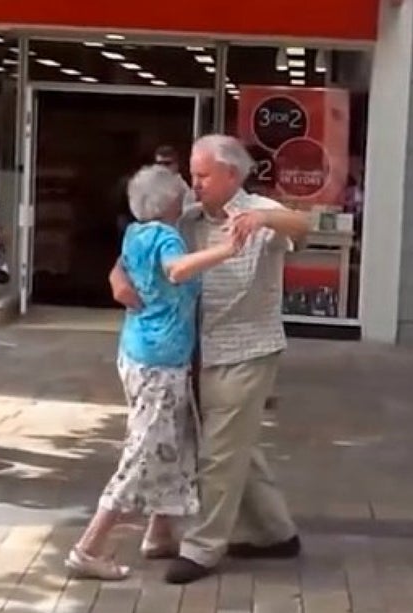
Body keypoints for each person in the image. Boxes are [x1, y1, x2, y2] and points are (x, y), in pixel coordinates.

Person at [110, 134, 311, 585]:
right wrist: (117, 274)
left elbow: (303, 225)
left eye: (201, 175)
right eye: (192, 175)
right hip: (198, 348)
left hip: (248, 349)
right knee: (232, 445)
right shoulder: (186, 218)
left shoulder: (260, 210)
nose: (192, 183)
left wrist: (263, 218)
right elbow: (142, 246)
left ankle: (202, 547)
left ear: (231, 175)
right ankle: (276, 533)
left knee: (220, 451)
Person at [66, 165, 241, 580]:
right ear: (167, 202)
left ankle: (160, 532)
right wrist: (228, 249)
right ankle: (88, 546)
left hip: (141, 351)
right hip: (160, 360)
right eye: (183, 189)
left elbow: (127, 271)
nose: (189, 193)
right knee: (145, 450)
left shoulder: (135, 232)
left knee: (176, 444)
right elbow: (177, 270)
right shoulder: (165, 237)